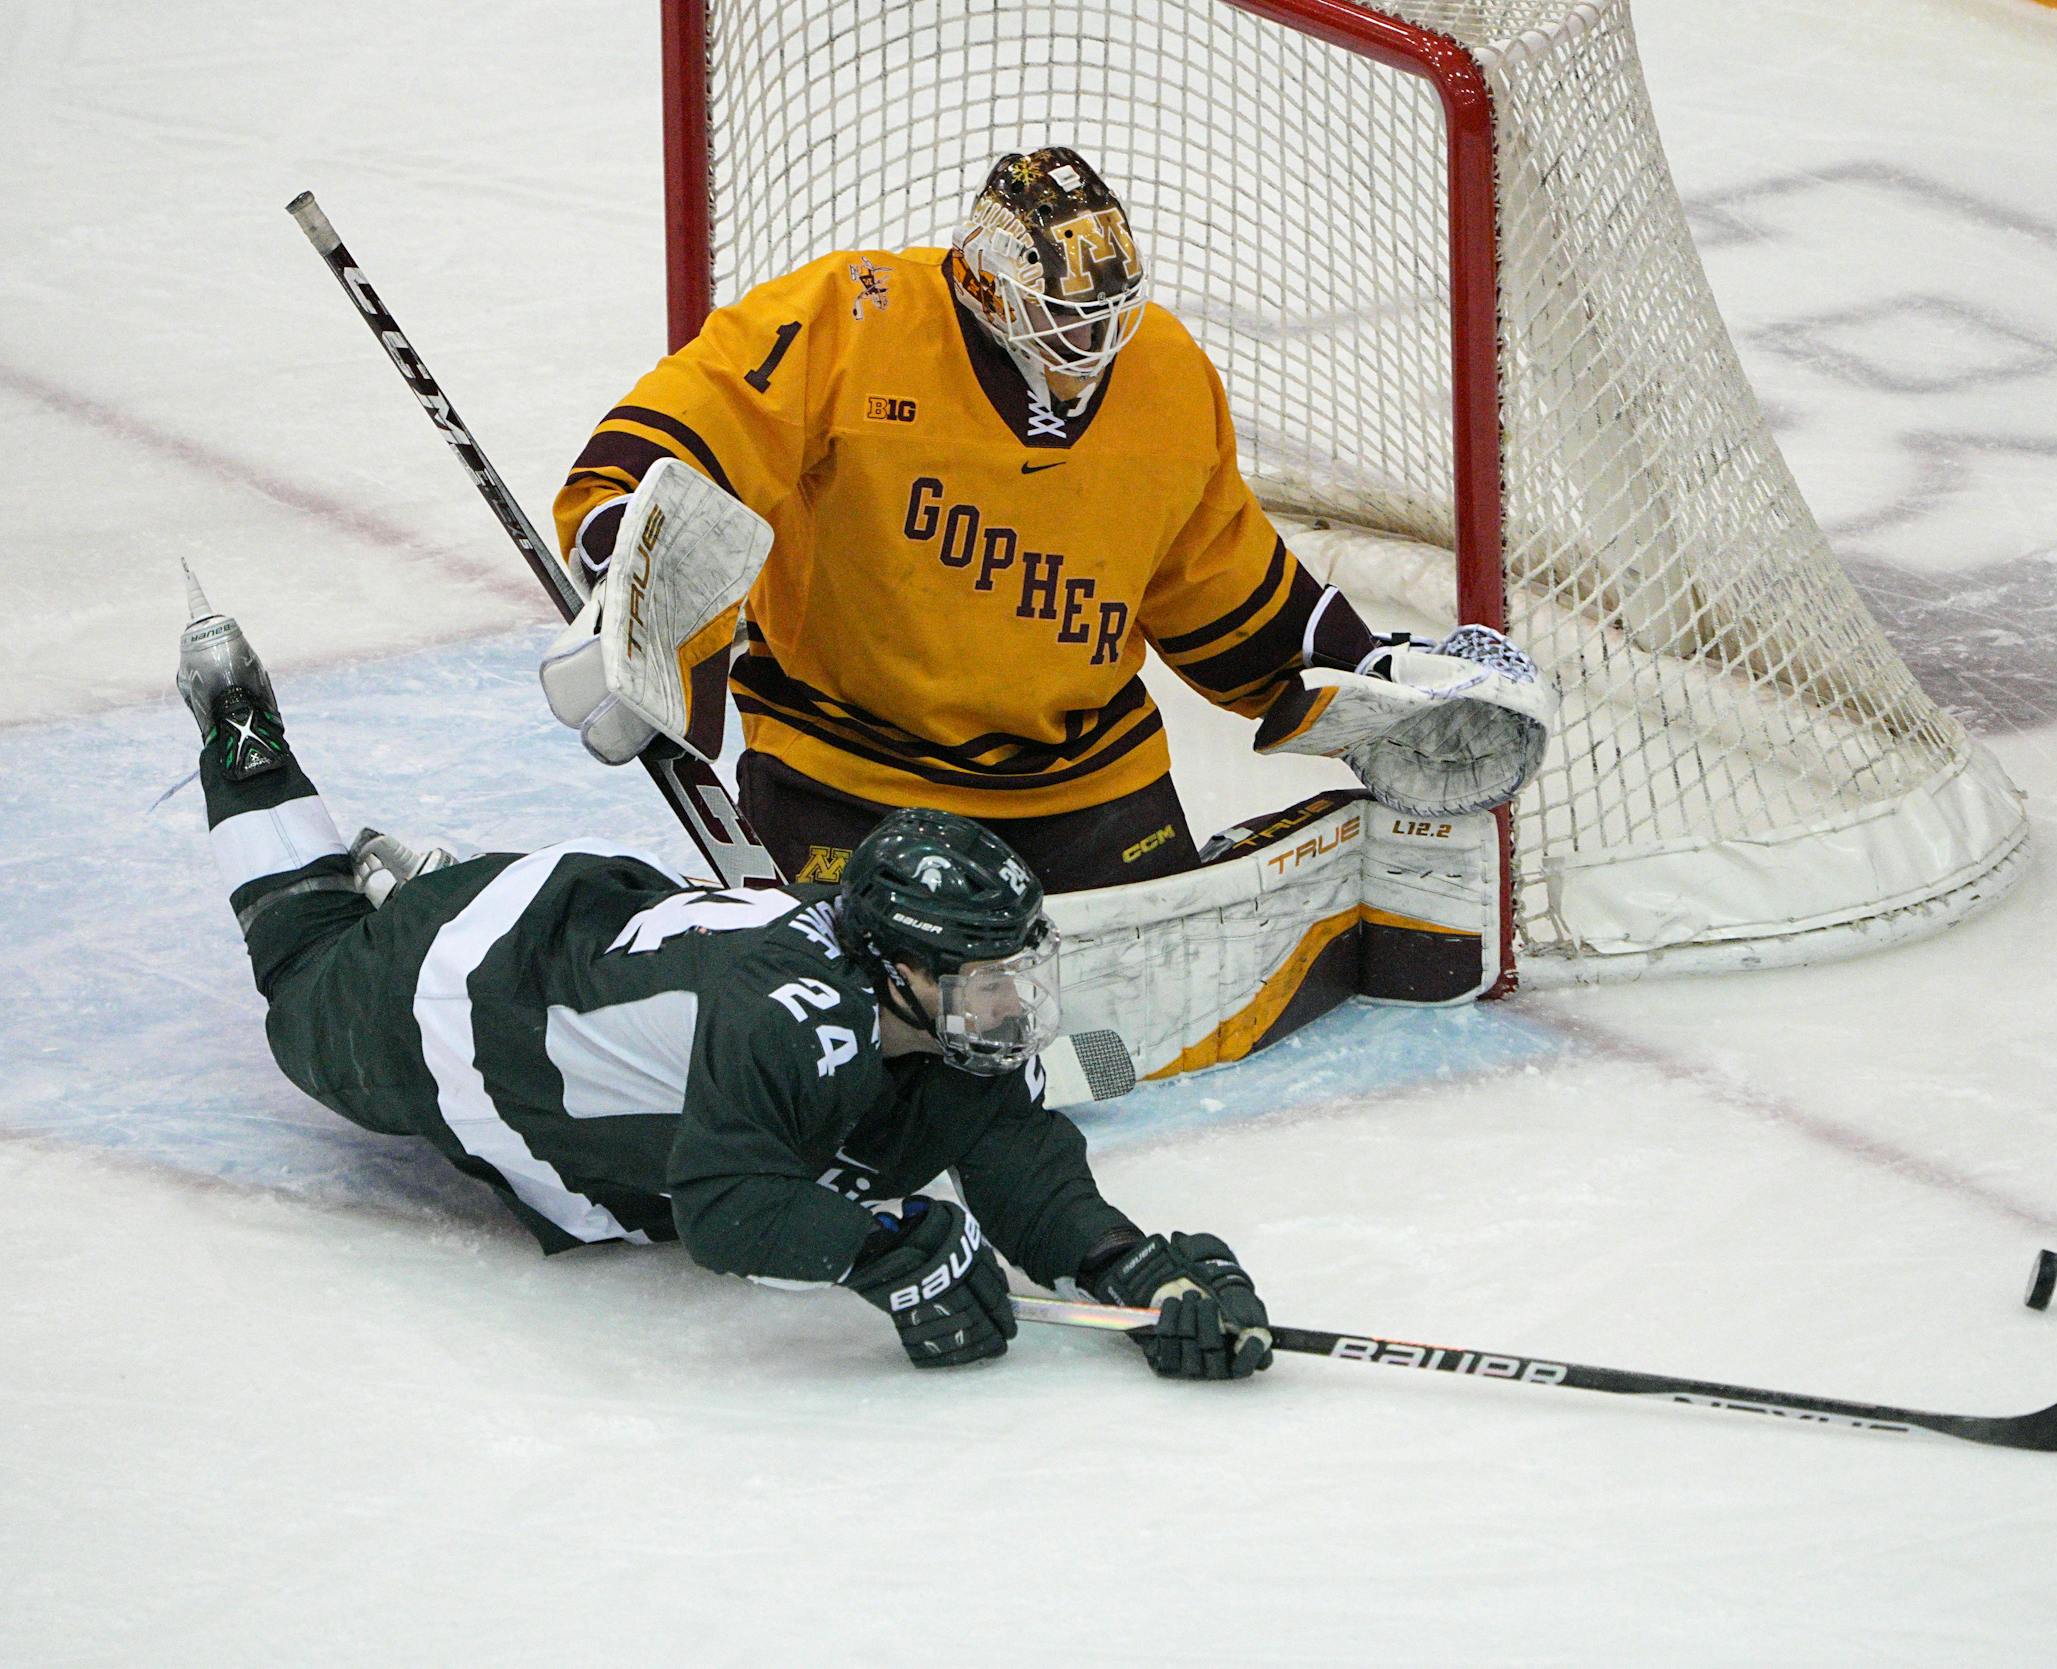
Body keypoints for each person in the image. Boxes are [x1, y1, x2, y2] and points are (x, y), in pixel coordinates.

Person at [176, 569, 1270, 1378]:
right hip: (467, 1008)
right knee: (302, 975)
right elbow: (723, 1203)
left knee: (867, 1126)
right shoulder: (786, 1019)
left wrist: (1133, 1269)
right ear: (899, 969)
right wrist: (882, 1250)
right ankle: (245, 738)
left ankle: (419, 882)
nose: (1010, 999)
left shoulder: (922, 1010)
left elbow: (1015, 1155)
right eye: (984, 975)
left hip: (590, 917)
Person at [547, 145, 1550, 894]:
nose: (1091, 341)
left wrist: (1358, 676)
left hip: (1086, 781)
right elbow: (701, 425)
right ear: (986, 285)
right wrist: (627, 567)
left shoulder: (1166, 374)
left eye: (1105, 315)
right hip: (845, 769)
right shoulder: (851, 321)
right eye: (1063, 317)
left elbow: (1216, 577)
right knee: (877, 1031)